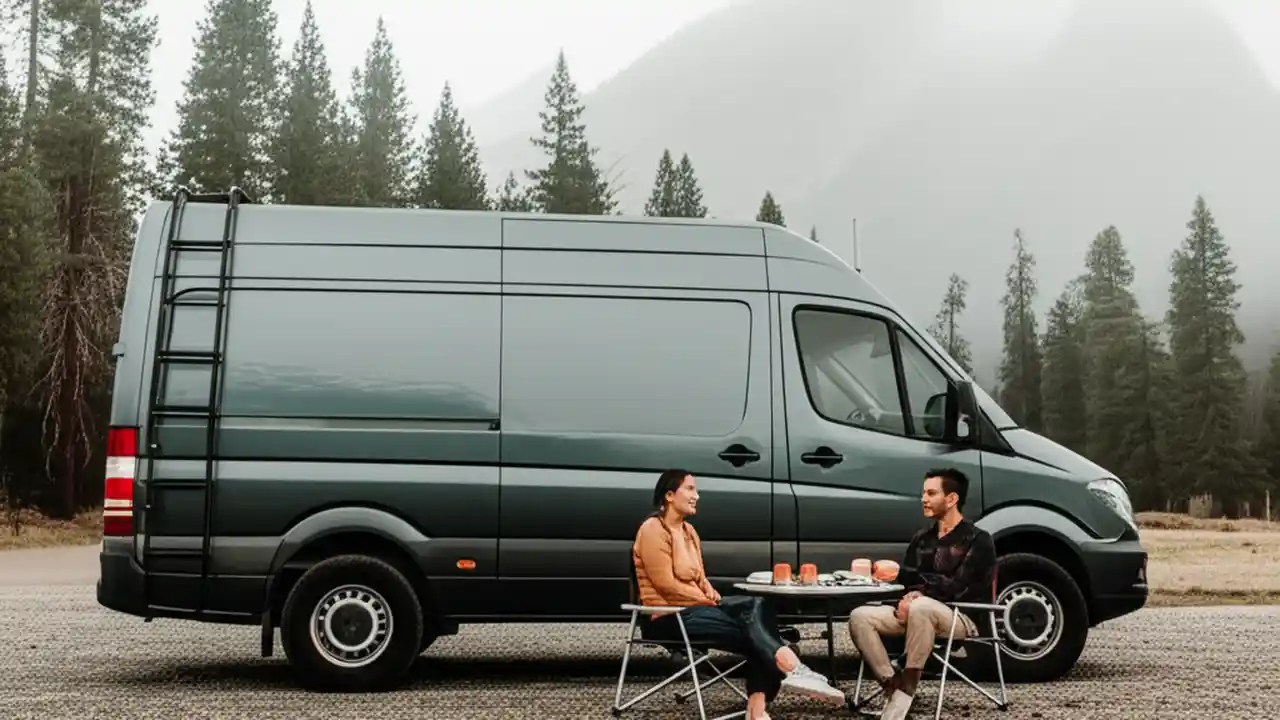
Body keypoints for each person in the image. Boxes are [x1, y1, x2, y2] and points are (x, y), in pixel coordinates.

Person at [633, 469, 845, 720]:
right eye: (690, 489)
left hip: (699, 610)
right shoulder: (652, 530)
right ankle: (788, 674)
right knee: (759, 632)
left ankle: (762, 701)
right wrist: (708, 600)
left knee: (759, 609)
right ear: (669, 495)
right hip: (669, 618)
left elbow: (701, 579)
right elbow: (666, 584)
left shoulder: (690, 532)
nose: (696, 496)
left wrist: (710, 595)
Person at [846, 468, 997, 720]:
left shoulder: (978, 539)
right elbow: (908, 578)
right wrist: (906, 597)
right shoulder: (922, 539)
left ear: (951, 499)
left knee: (922, 607)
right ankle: (893, 685)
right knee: (860, 616)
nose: (923, 499)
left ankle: (908, 688)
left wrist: (919, 595)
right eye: (923, 493)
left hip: (962, 616)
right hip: (916, 611)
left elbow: (960, 586)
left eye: (931, 493)